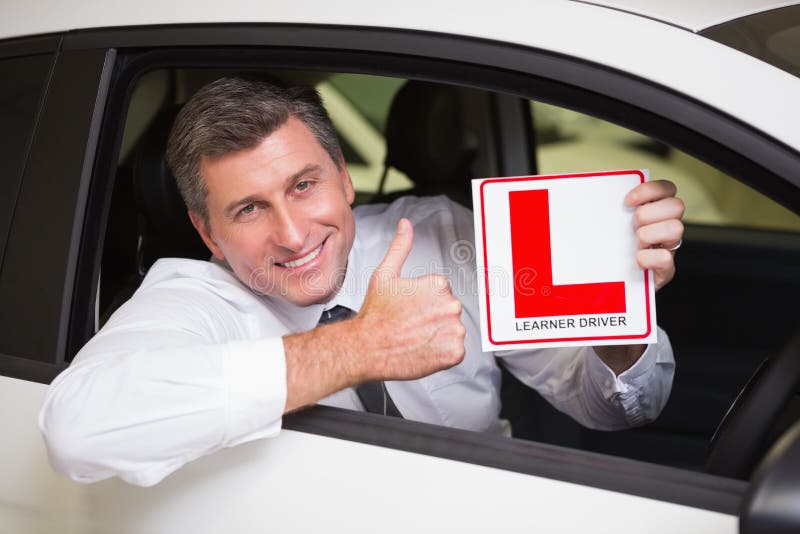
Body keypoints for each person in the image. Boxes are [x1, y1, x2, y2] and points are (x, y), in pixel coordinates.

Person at [39, 77, 682, 487]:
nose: (293, 235)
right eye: (250, 209)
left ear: (344, 178)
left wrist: (617, 316)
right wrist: (358, 349)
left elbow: (616, 409)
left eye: (303, 185)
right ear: (208, 233)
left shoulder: (450, 236)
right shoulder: (193, 297)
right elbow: (76, 429)